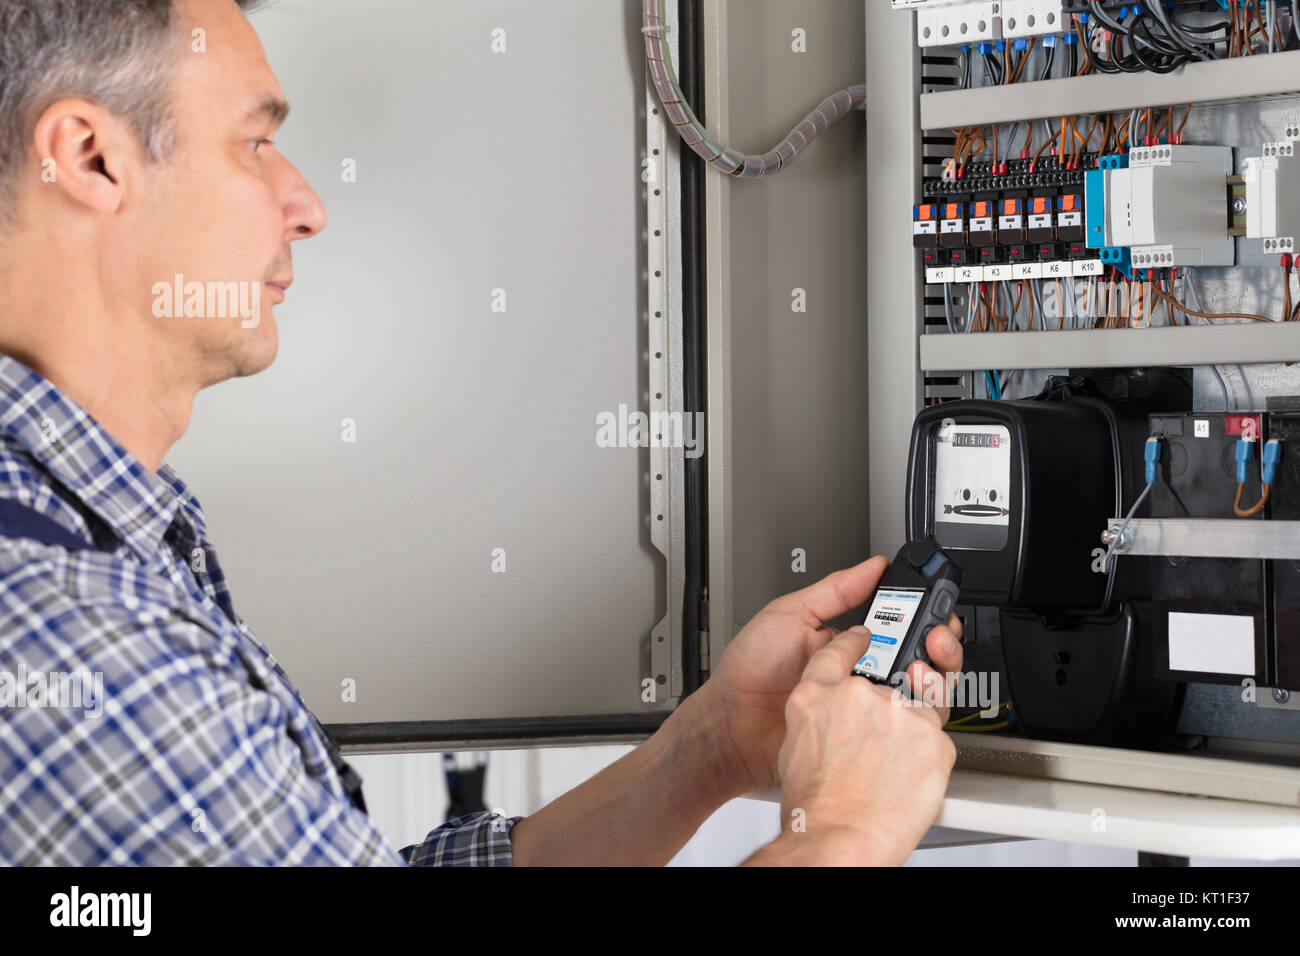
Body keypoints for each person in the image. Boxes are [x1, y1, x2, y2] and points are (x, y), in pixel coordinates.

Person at [0, 0, 963, 865]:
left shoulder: (90, 551)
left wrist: (711, 746)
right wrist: (846, 833)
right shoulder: (73, 635)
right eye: (254, 143)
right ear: (90, 156)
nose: (306, 206)